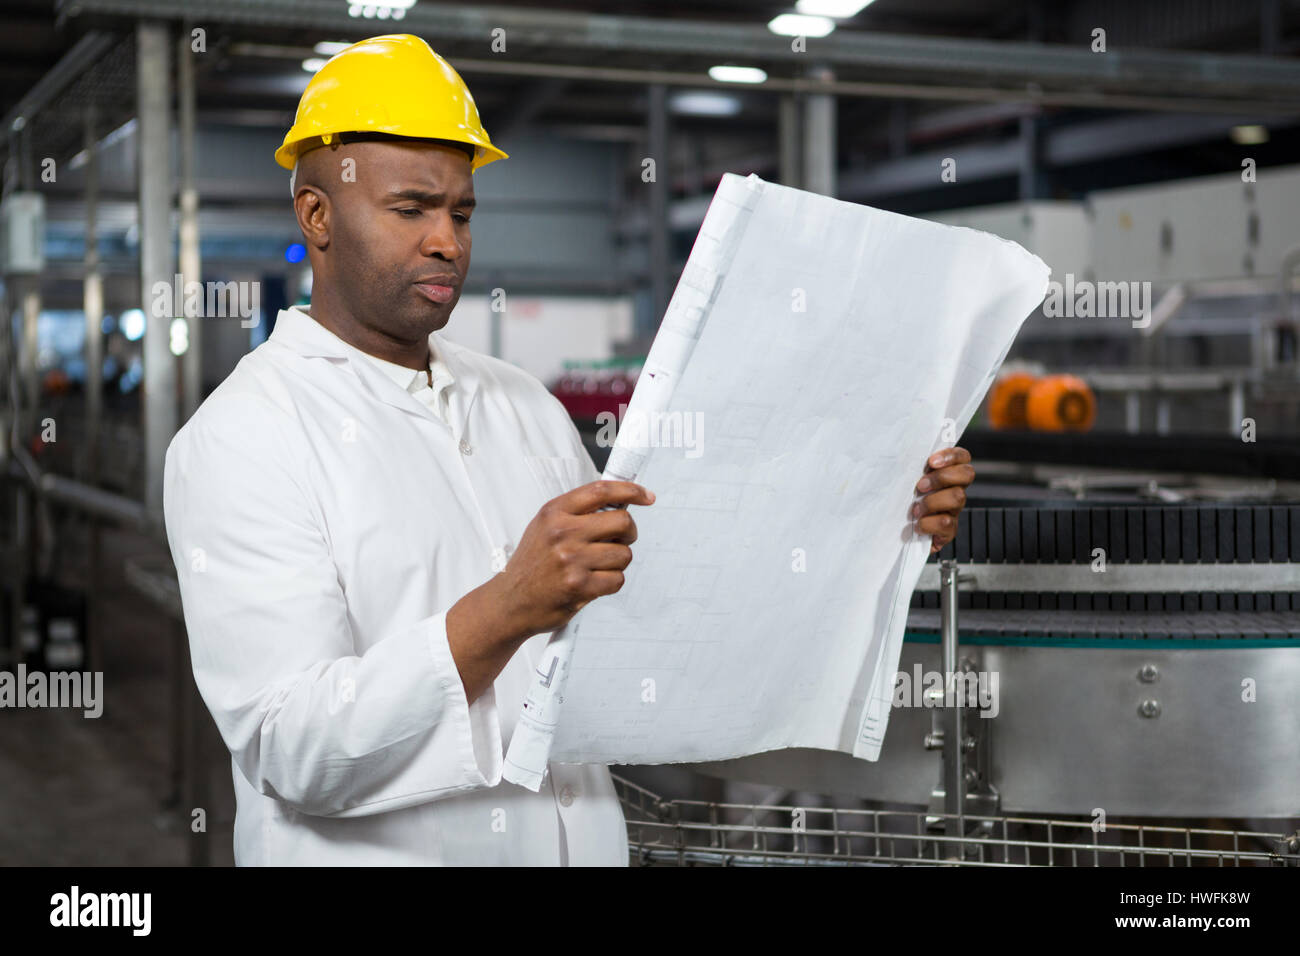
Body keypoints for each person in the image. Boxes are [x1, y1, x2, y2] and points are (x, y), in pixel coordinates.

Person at [161, 34, 975, 866]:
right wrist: (508, 605)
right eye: (411, 209)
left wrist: (879, 506)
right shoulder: (244, 437)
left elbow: (651, 596)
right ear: (318, 215)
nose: (447, 240)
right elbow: (290, 748)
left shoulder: (520, 402)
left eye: (463, 212)